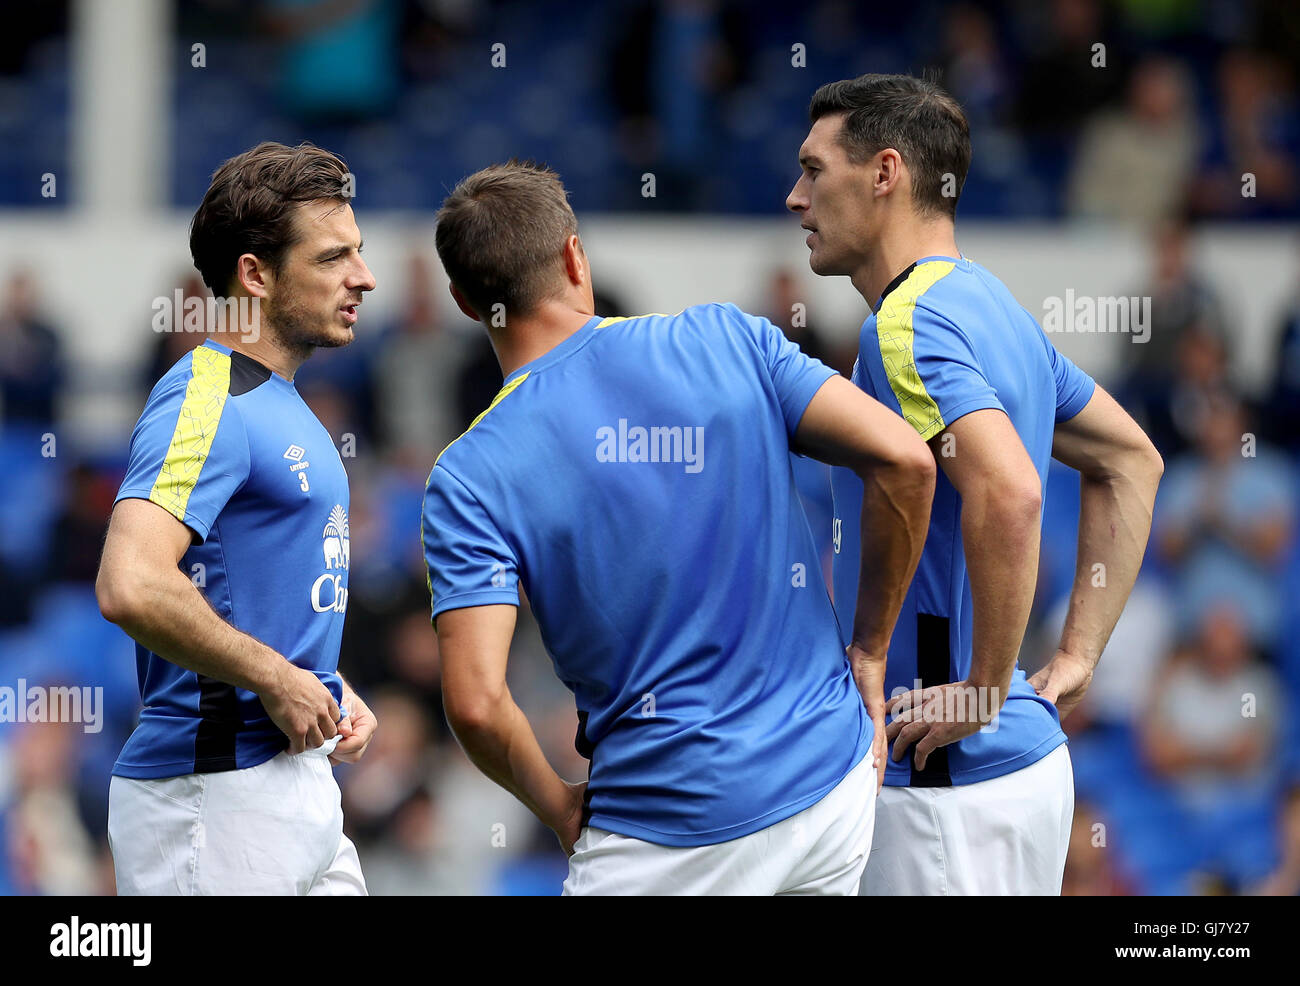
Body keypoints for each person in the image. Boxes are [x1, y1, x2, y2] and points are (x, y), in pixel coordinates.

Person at [421, 162, 935, 895]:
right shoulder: (729, 338)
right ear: (574, 256)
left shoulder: (469, 475)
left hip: (660, 835)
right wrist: (872, 652)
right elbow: (905, 461)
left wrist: (560, 806)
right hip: (829, 788)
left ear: (466, 303)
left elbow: (474, 703)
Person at [786, 74, 1163, 895]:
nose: (795, 196)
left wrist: (986, 690)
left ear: (885, 173)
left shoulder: (906, 325)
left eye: (814, 171)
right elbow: (1132, 460)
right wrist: (1074, 658)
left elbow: (1013, 492)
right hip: (1012, 771)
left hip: (943, 776)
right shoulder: (992, 306)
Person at [96, 141, 378, 895]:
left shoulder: (289, 406)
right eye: (333, 257)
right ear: (255, 274)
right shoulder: (204, 395)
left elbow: (245, 595)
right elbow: (131, 583)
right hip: (211, 797)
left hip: (300, 789)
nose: (365, 277)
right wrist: (277, 678)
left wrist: (324, 685)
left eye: (358, 252)